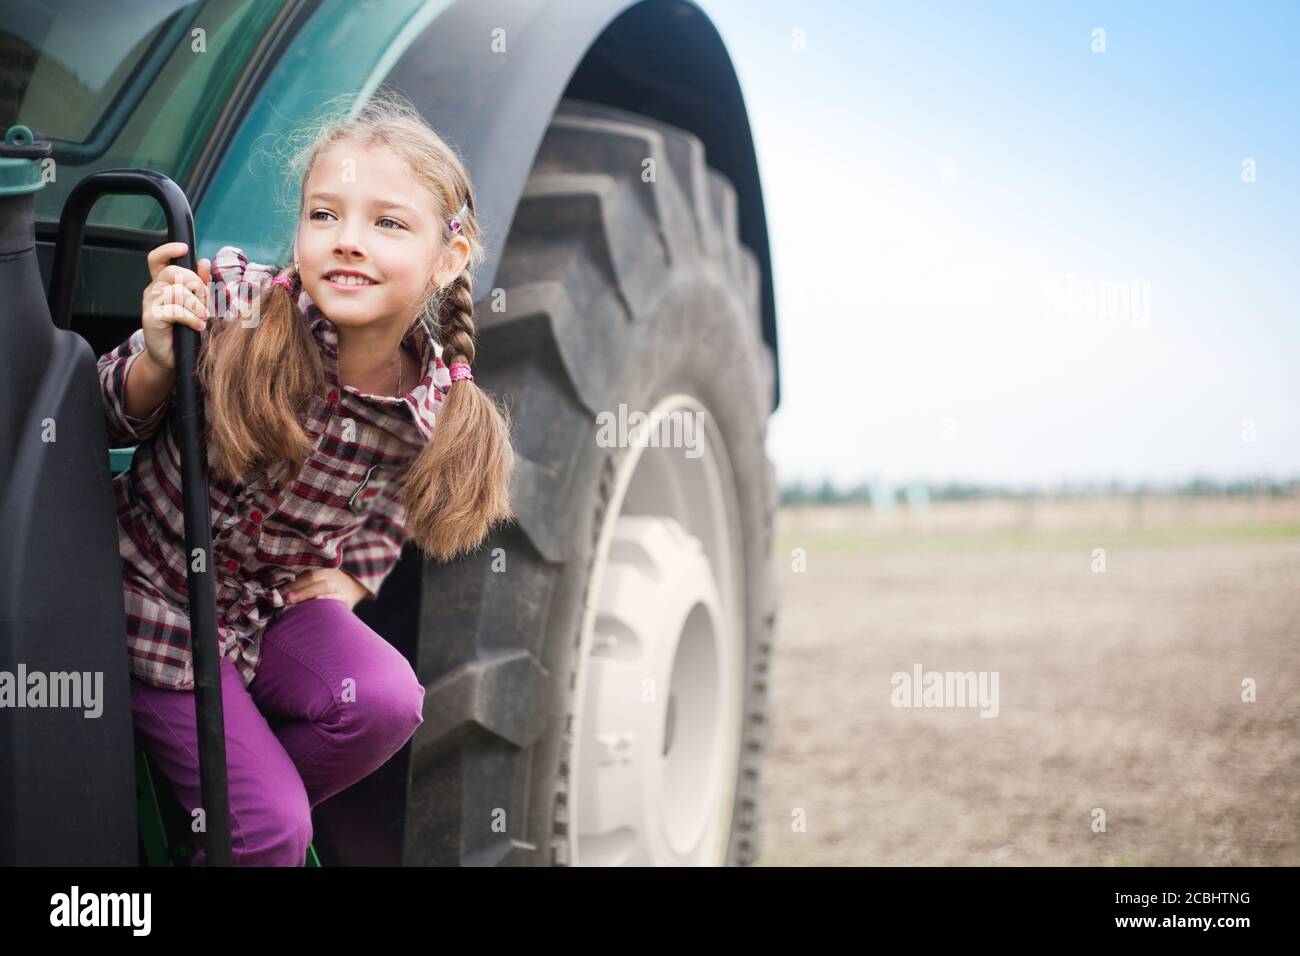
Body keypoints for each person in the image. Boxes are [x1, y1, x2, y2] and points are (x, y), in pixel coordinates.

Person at [96, 88, 515, 865]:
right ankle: (252, 828)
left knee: (386, 701)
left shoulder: (429, 411)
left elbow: (397, 509)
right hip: (153, 599)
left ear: (447, 260)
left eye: (387, 224)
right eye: (325, 215)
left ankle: (233, 828)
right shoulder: (233, 307)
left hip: (262, 609)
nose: (347, 241)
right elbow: (97, 418)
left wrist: (352, 578)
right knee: (277, 828)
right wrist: (155, 360)